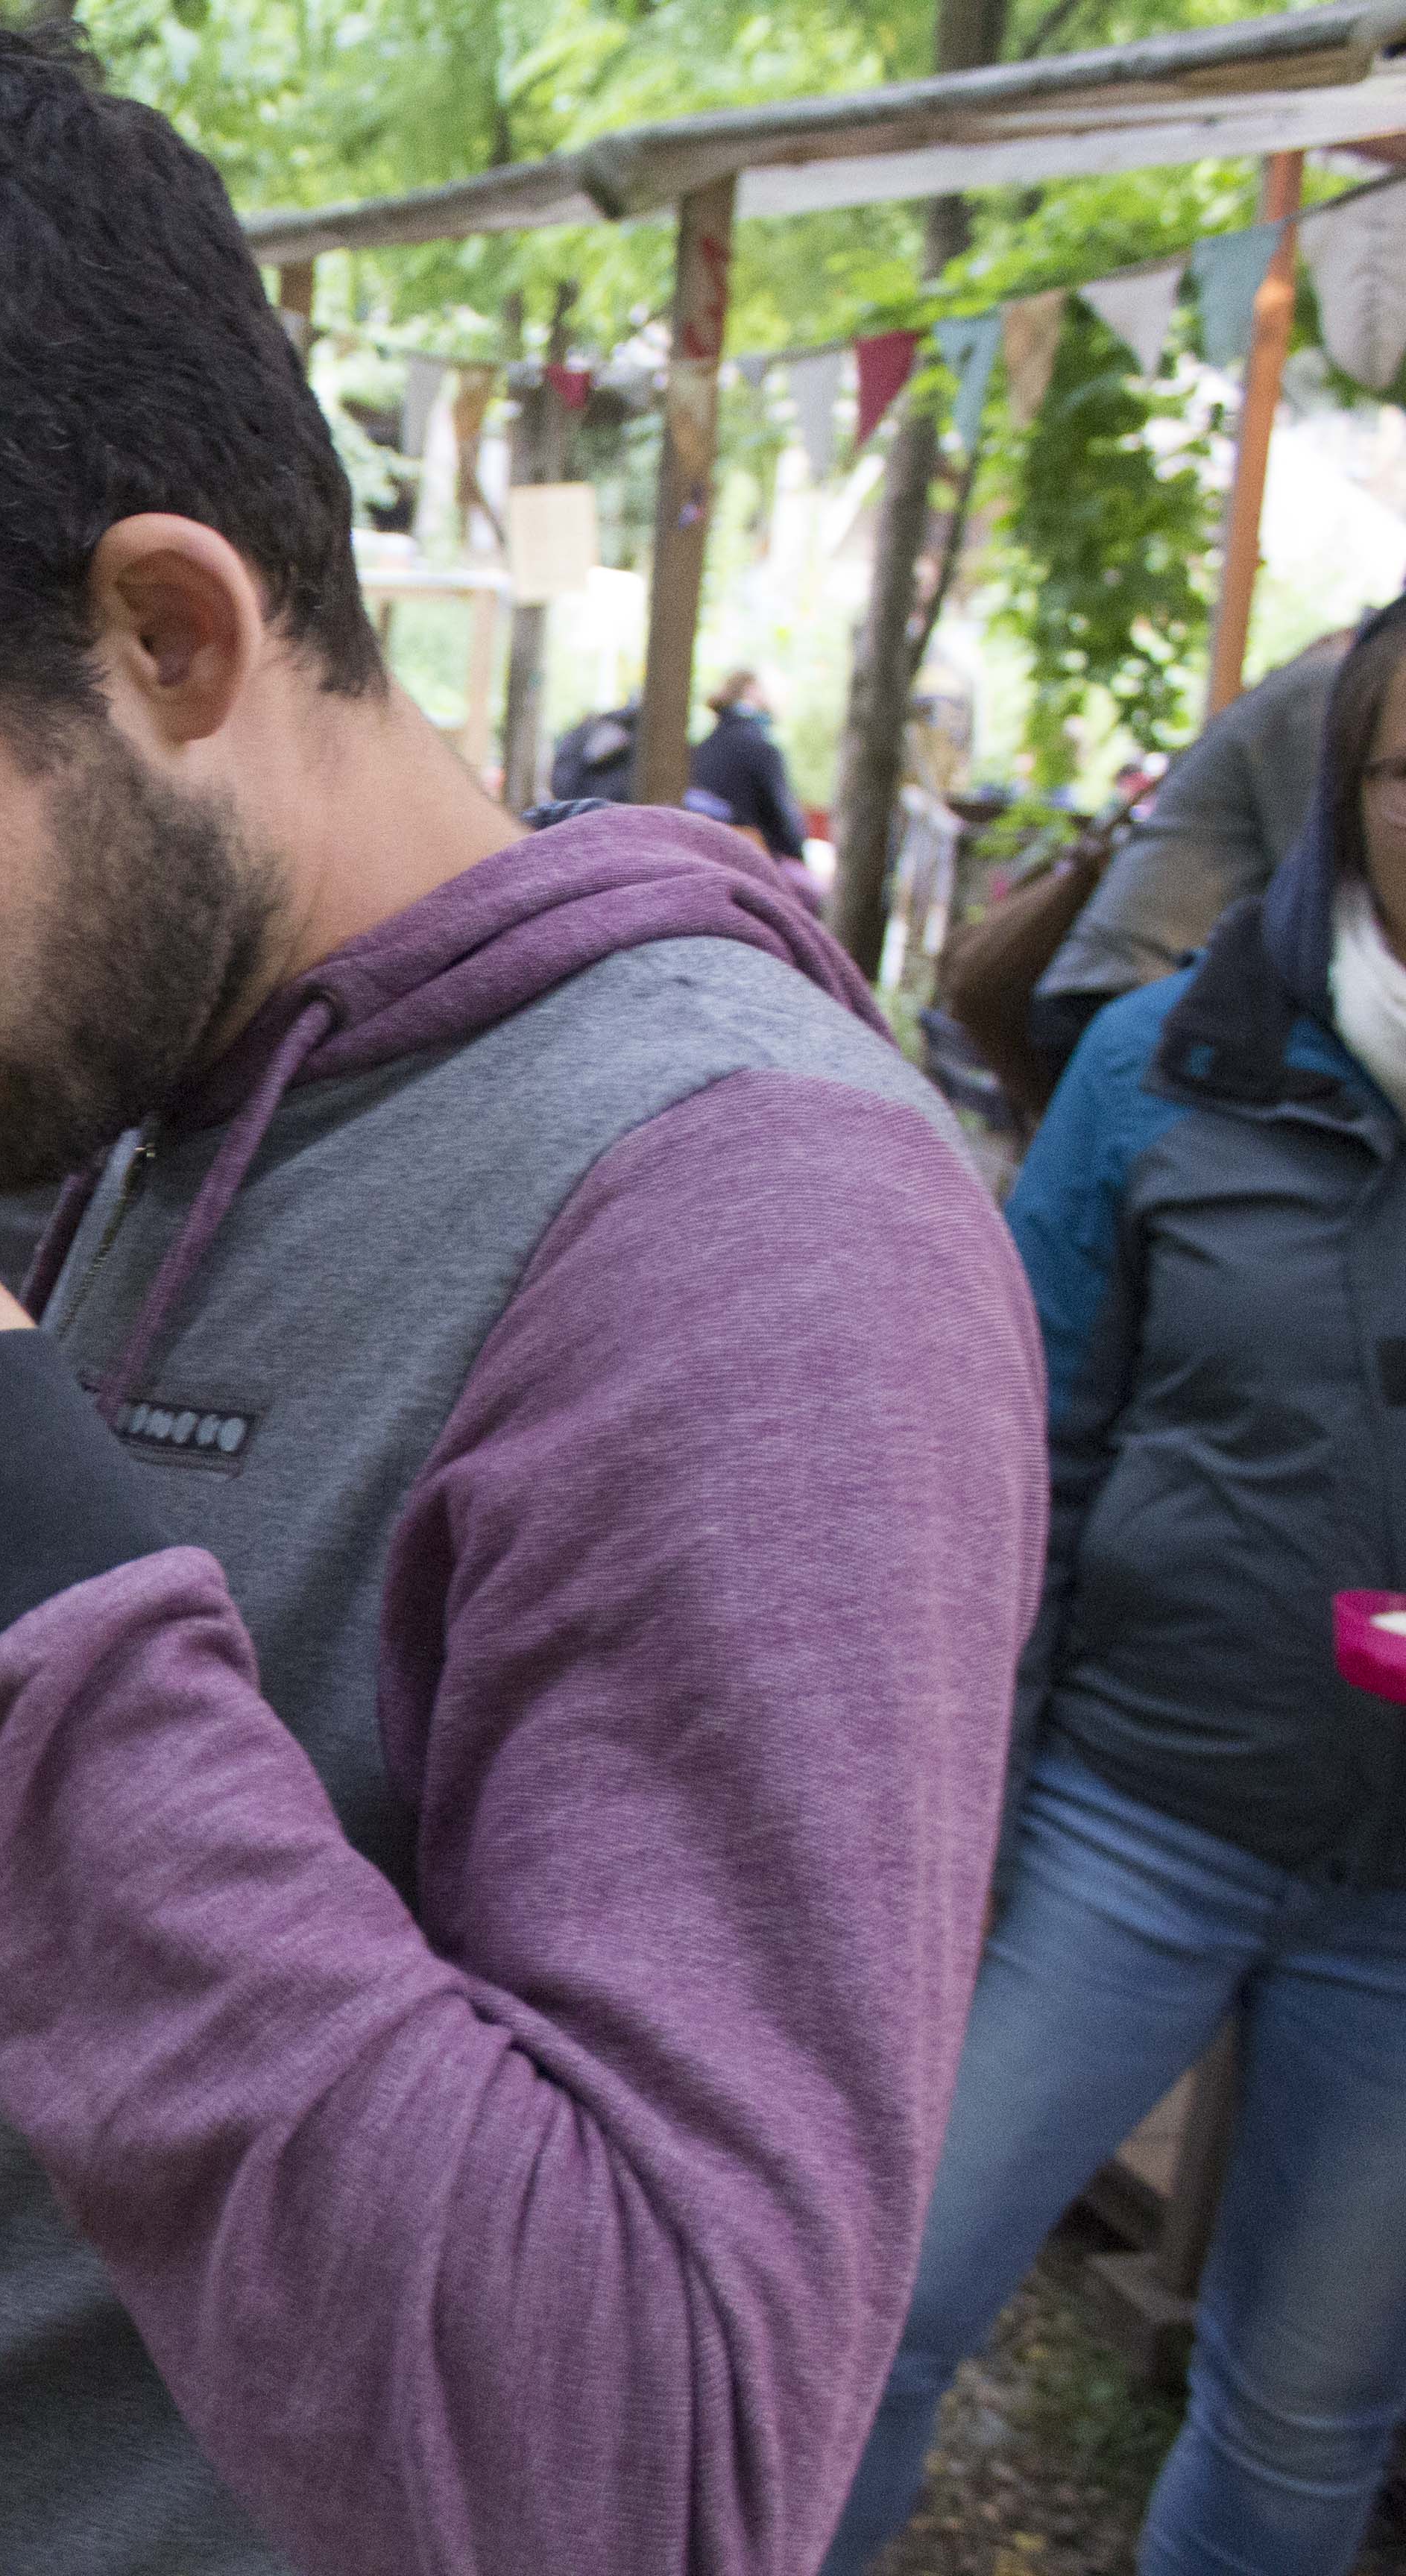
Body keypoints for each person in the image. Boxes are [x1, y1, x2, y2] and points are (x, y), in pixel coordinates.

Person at [0, 28, 1044, 2573]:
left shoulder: (752, 1235)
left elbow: (654, 2470)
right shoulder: (165, 1074)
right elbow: (193, 1946)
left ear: (168, 630)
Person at [819, 593, 1406, 2576]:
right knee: (880, 2316)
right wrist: (965, 1796)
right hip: (1129, 1820)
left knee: (1309, 2424)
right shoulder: (1177, 1059)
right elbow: (1026, 1447)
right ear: (1346, 797)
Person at [1027, 629, 1347, 1082]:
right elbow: (1325, 888)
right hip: (1126, 995)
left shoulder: (1316, 681)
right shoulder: (1325, 688)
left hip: (1130, 996)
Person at [692, 666, 812, 865]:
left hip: (704, 856)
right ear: (751, 690)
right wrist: (800, 859)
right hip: (751, 861)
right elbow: (786, 823)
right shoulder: (762, 748)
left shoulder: (703, 746)